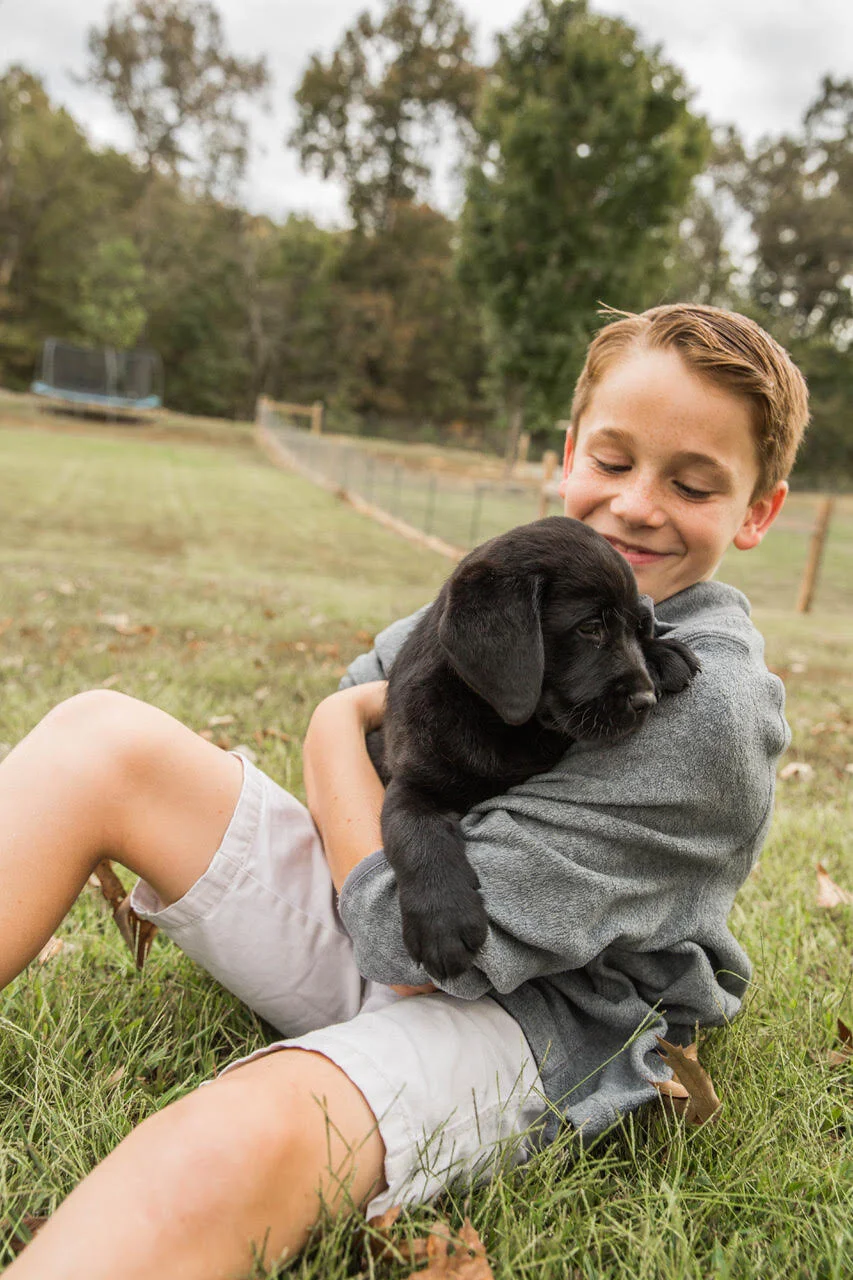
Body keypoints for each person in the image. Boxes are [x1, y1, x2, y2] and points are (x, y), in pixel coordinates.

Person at [0, 303, 808, 1280]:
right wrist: (361, 714)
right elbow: (377, 673)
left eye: (690, 482)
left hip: (533, 1013)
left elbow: (412, 940)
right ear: (568, 453)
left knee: (231, 1141)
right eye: (611, 460)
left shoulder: (704, 714)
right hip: (391, 889)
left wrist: (335, 726)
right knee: (98, 735)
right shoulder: (521, 581)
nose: (636, 504)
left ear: (757, 508)